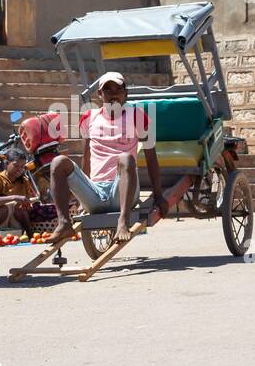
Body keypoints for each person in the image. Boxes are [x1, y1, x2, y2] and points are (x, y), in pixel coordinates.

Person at [47, 71, 167, 246]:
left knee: (125, 158)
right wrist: (82, 200)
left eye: (118, 89)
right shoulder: (89, 117)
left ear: (125, 94)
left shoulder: (137, 115)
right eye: (108, 90)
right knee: (58, 162)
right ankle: (64, 223)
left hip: (123, 194)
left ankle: (123, 222)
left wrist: (158, 195)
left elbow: (151, 157)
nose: (114, 94)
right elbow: (86, 157)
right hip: (95, 193)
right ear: (100, 94)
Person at [0, 146, 35, 235]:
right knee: (9, 206)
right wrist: (14, 198)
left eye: (22, 166)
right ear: (7, 163)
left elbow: (28, 202)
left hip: (16, 224)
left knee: (19, 206)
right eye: (16, 166)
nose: (20, 169)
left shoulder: (24, 180)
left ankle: (29, 234)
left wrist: (28, 204)